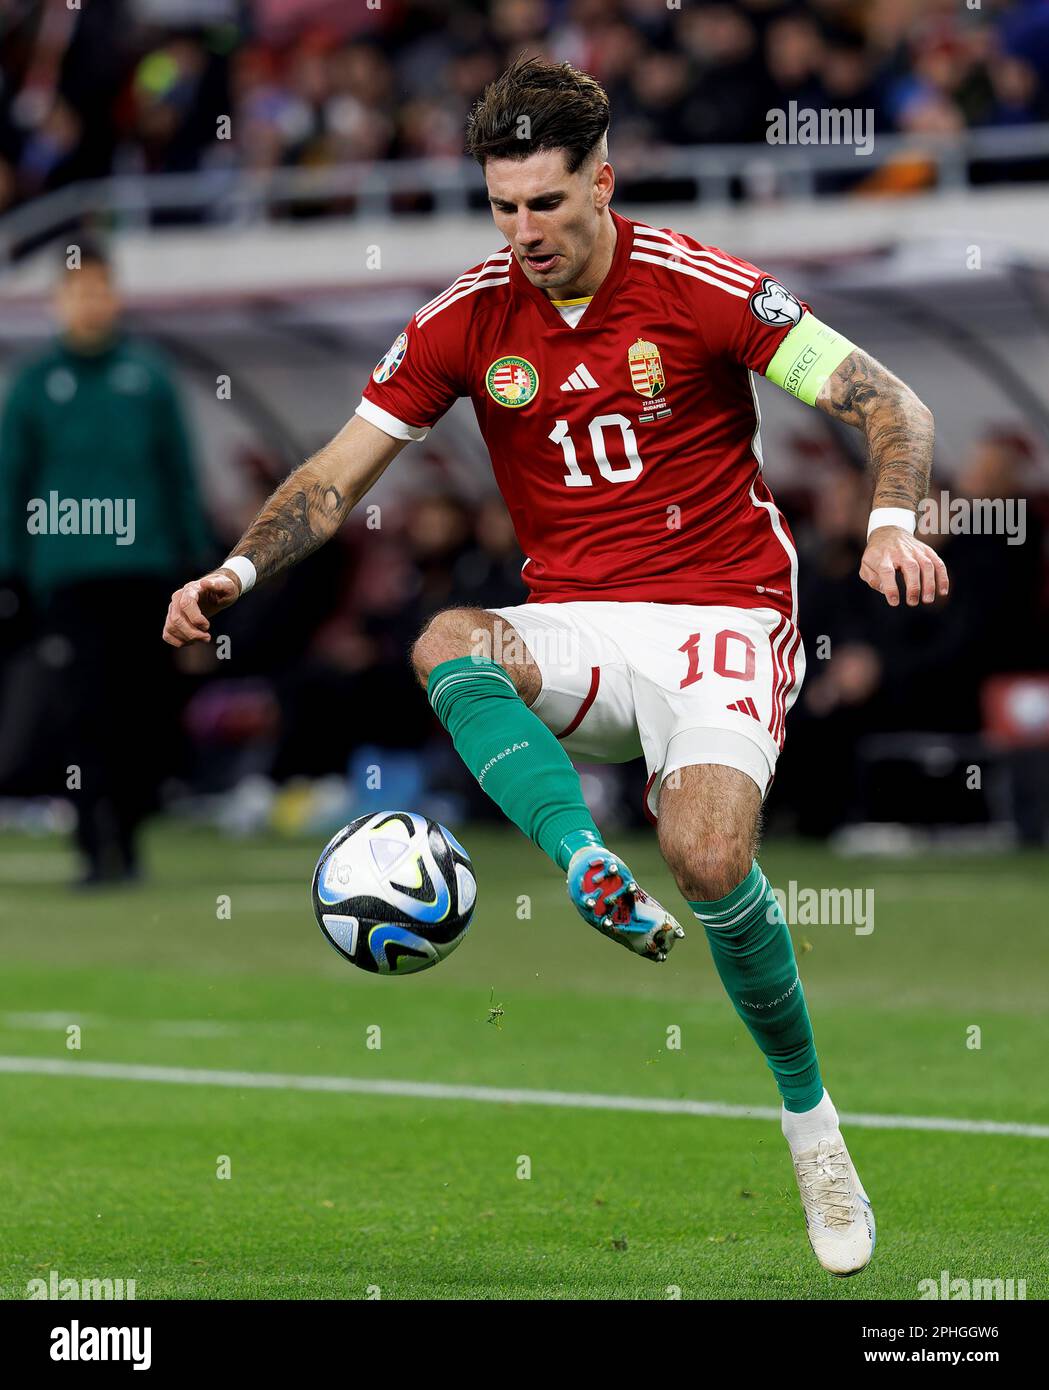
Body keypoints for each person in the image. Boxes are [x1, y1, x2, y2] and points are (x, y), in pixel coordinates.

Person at [163, 58, 948, 1277]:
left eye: (547, 203)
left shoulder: (697, 288)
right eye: (503, 206)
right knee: (443, 639)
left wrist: (890, 522)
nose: (524, 232)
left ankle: (811, 1125)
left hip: (721, 614)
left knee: (706, 855)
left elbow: (886, 401)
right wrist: (235, 575)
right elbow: (333, 476)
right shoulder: (465, 319)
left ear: (602, 182)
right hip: (579, 621)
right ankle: (582, 859)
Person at [0, 238, 212, 883]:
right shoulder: (34, 386)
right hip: (67, 579)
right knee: (79, 713)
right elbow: (11, 485)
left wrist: (201, 571)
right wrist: (12, 574)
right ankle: (93, 847)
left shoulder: (148, 377)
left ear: (114, 294)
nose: (89, 302)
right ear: (57, 301)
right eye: (76, 291)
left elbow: (181, 478)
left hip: (146, 575)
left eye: (98, 288)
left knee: (144, 712)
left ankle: (133, 836)